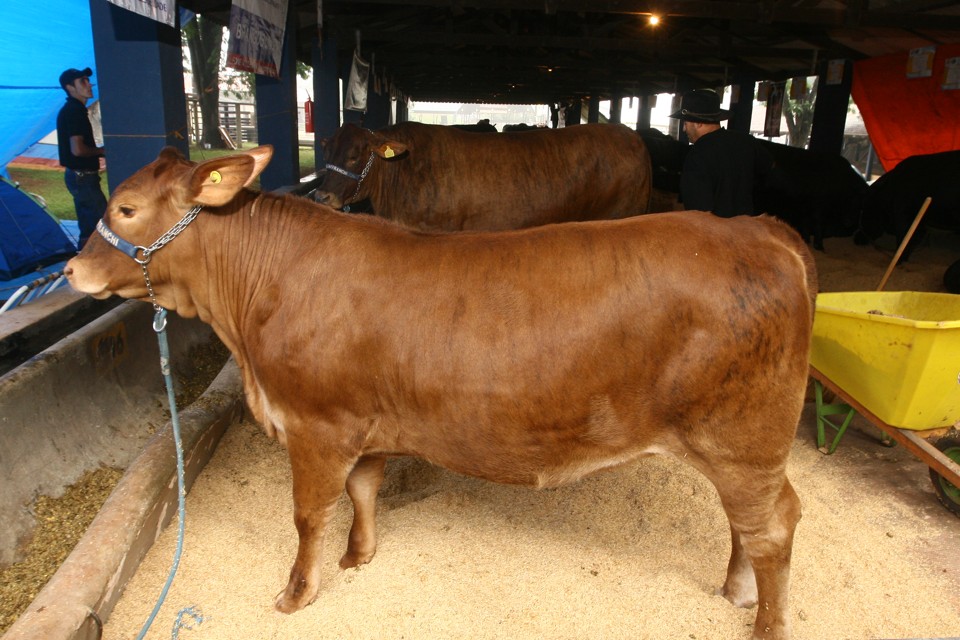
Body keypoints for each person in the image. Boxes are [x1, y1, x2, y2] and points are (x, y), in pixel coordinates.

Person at [668, 88, 772, 218]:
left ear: (698, 123)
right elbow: (771, 177)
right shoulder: (748, 142)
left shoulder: (697, 155)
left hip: (716, 235)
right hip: (747, 233)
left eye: (685, 123)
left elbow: (697, 214)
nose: (684, 129)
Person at [57, 67, 107, 249]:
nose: (89, 84)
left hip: (82, 177)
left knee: (92, 225)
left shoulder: (75, 109)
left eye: (88, 80)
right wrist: (101, 151)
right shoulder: (74, 111)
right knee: (98, 226)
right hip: (82, 178)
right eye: (82, 81)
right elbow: (77, 150)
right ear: (70, 87)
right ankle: (85, 264)